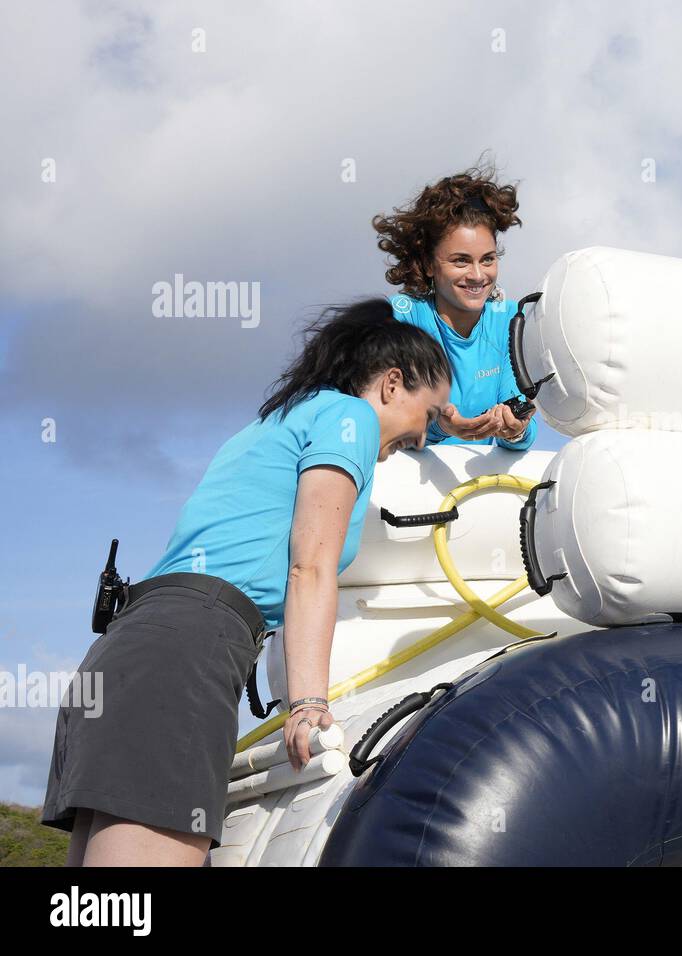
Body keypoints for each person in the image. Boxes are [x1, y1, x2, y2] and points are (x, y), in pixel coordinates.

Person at [40, 299, 452, 866]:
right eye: (428, 416)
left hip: (130, 650)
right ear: (391, 383)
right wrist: (306, 704)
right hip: (185, 654)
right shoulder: (348, 417)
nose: (425, 439)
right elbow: (311, 564)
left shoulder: (275, 421)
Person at [374, 162, 537, 450]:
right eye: (461, 260)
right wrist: (440, 426)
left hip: (480, 487)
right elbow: (382, 421)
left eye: (487, 259)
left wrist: (515, 431)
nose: (477, 275)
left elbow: (523, 421)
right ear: (427, 264)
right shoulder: (399, 318)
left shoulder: (511, 319)